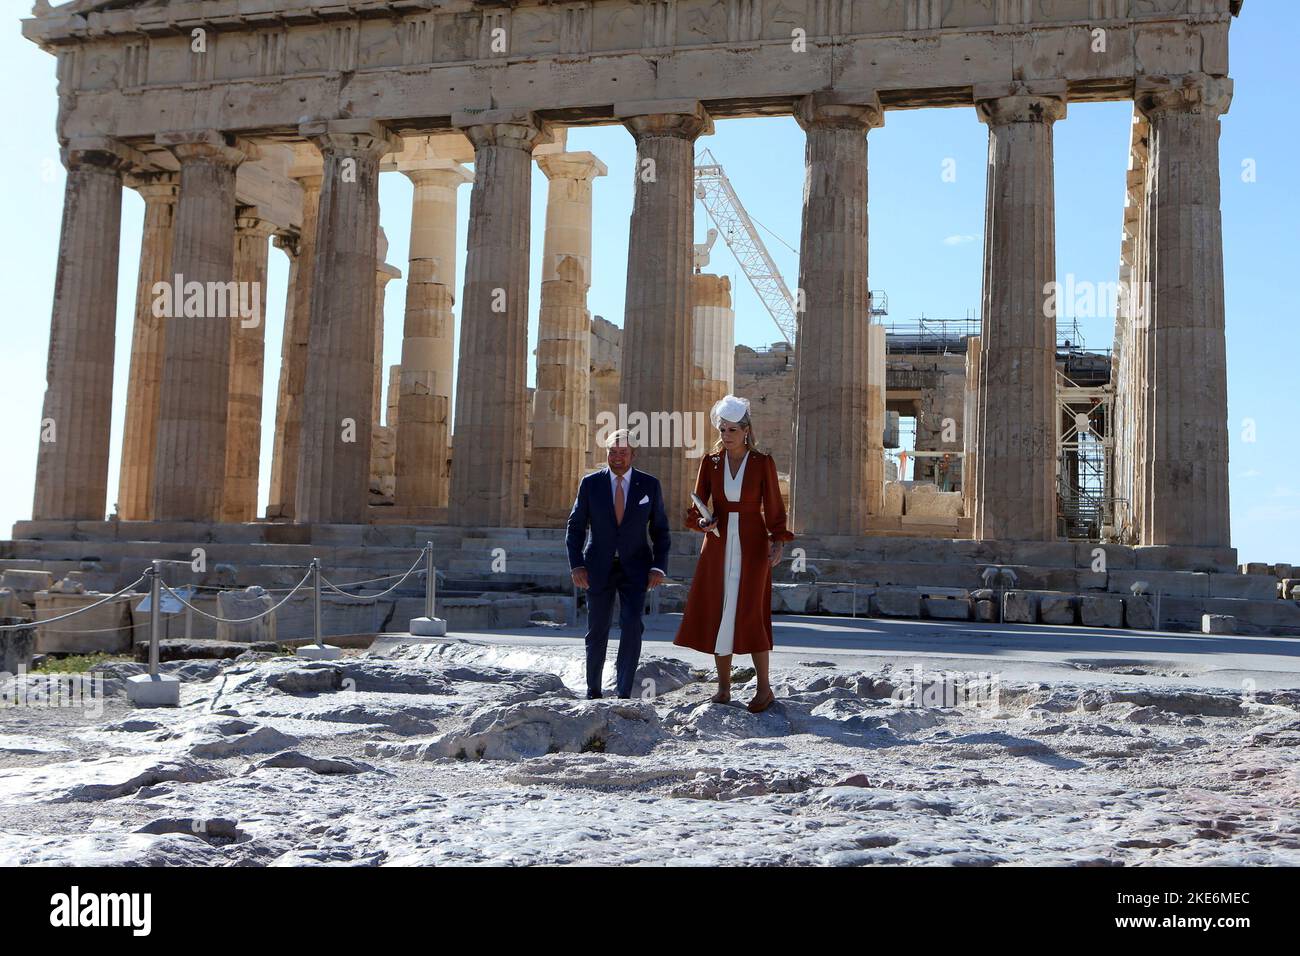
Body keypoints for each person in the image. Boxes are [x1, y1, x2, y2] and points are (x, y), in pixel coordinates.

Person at [673, 395, 794, 713]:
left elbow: (774, 507)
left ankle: (764, 688)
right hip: (717, 543)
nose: (725, 435)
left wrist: (778, 541)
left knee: (752, 613)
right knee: (720, 610)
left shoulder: (762, 462)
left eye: (731, 430)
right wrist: (702, 521)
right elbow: (697, 505)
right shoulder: (709, 463)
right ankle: (724, 688)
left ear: (745, 430)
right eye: (722, 429)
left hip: (754, 546)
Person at [566, 429, 671, 700]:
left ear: (633, 455)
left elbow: (660, 529)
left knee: (632, 624)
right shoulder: (591, 484)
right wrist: (576, 564)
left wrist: (658, 566)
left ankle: (623, 691)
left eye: (622, 452)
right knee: (597, 628)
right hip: (597, 567)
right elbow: (575, 526)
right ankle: (593, 691)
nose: (616, 457)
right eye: (612, 452)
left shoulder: (649, 485)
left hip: (636, 568)